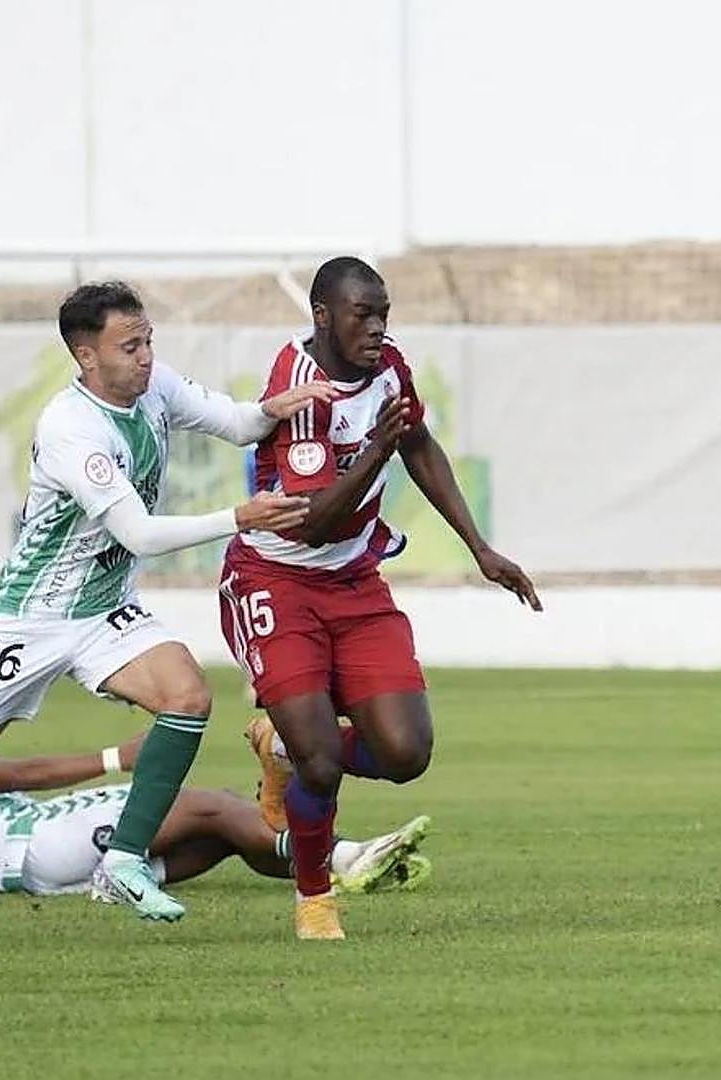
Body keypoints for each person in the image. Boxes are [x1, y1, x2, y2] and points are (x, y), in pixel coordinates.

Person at [0, 281, 331, 945]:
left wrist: (274, 408)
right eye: (129, 346)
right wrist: (237, 518)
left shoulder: (155, 386)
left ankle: (124, 861)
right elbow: (136, 534)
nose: (145, 357)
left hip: (104, 609)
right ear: (86, 356)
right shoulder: (69, 429)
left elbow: (237, 422)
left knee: (187, 695)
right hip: (31, 620)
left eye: (147, 342)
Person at [220, 256, 540, 940]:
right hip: (276, 580)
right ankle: (314, 902)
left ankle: (280, 749)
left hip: (354, 580)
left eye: (383, 313)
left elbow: (417, 444)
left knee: (405, 752)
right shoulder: (301, 387)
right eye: (362, 314)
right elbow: (313, 521)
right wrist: (374, 449)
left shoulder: (390, 364)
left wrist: (479, 548)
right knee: (324, 764)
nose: (376, 326)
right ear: (323, 316)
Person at [0, 682, 430, 898]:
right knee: (209, 804)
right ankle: (345, 855)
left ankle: (327, 866)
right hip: (39, 841)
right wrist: (116, 758)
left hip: (33, 857)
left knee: (224, 830)